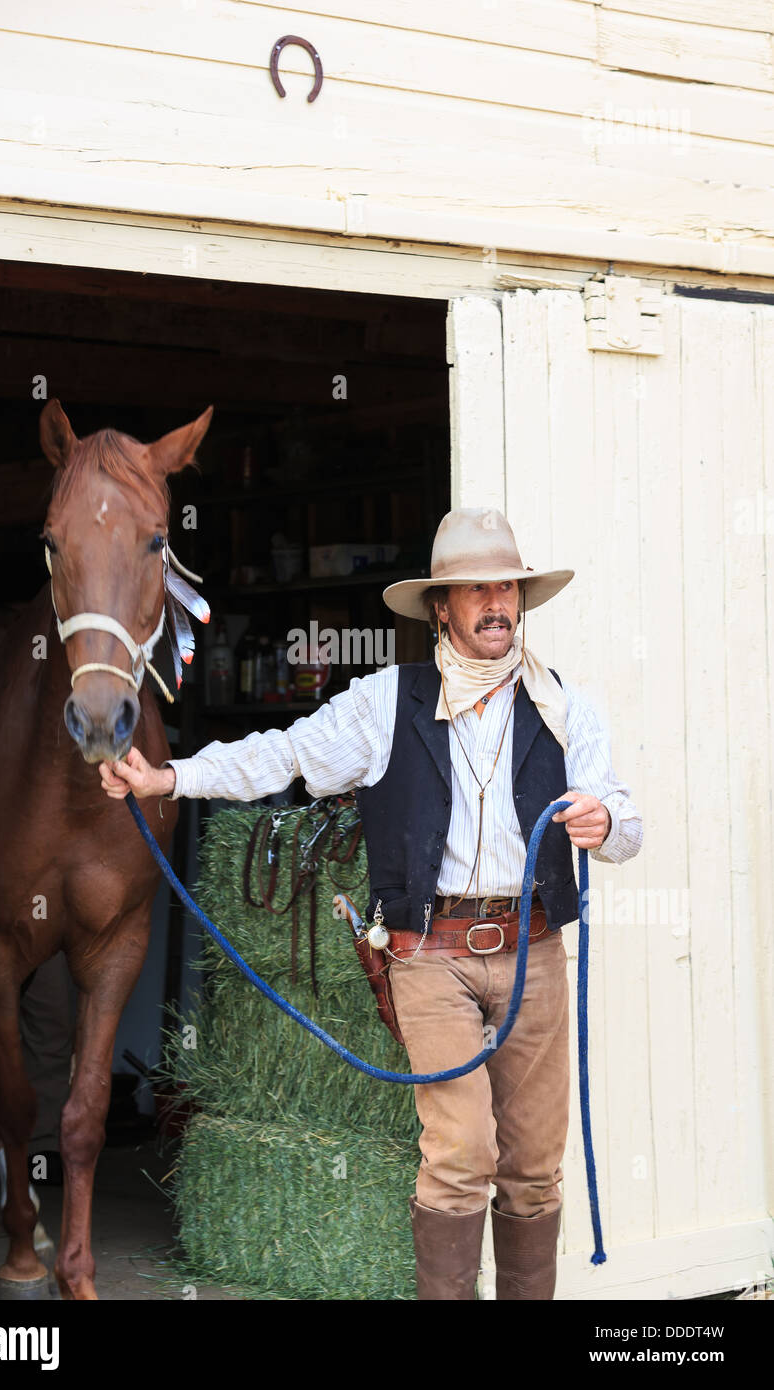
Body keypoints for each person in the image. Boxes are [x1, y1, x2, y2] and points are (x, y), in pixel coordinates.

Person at [99, 508, 642, 1301]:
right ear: (441, 608)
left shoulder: (567, 707)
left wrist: (605, 825)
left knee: (532, 1167)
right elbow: (282, 752)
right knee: (460, 1155)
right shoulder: (386, 702)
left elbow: (625, 821)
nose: (497, 603)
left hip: (535, 953)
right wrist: (169, 777)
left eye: (509, 587)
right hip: (430, 956)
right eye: (475, 589)